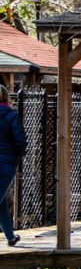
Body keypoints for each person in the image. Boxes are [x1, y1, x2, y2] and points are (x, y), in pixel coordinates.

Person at [0, 83, 26, 246]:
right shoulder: (11, 115)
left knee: (1, 200)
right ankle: (10, 236)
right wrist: (18, 155)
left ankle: (10, 236)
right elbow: (20, 141)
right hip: (6, 163)